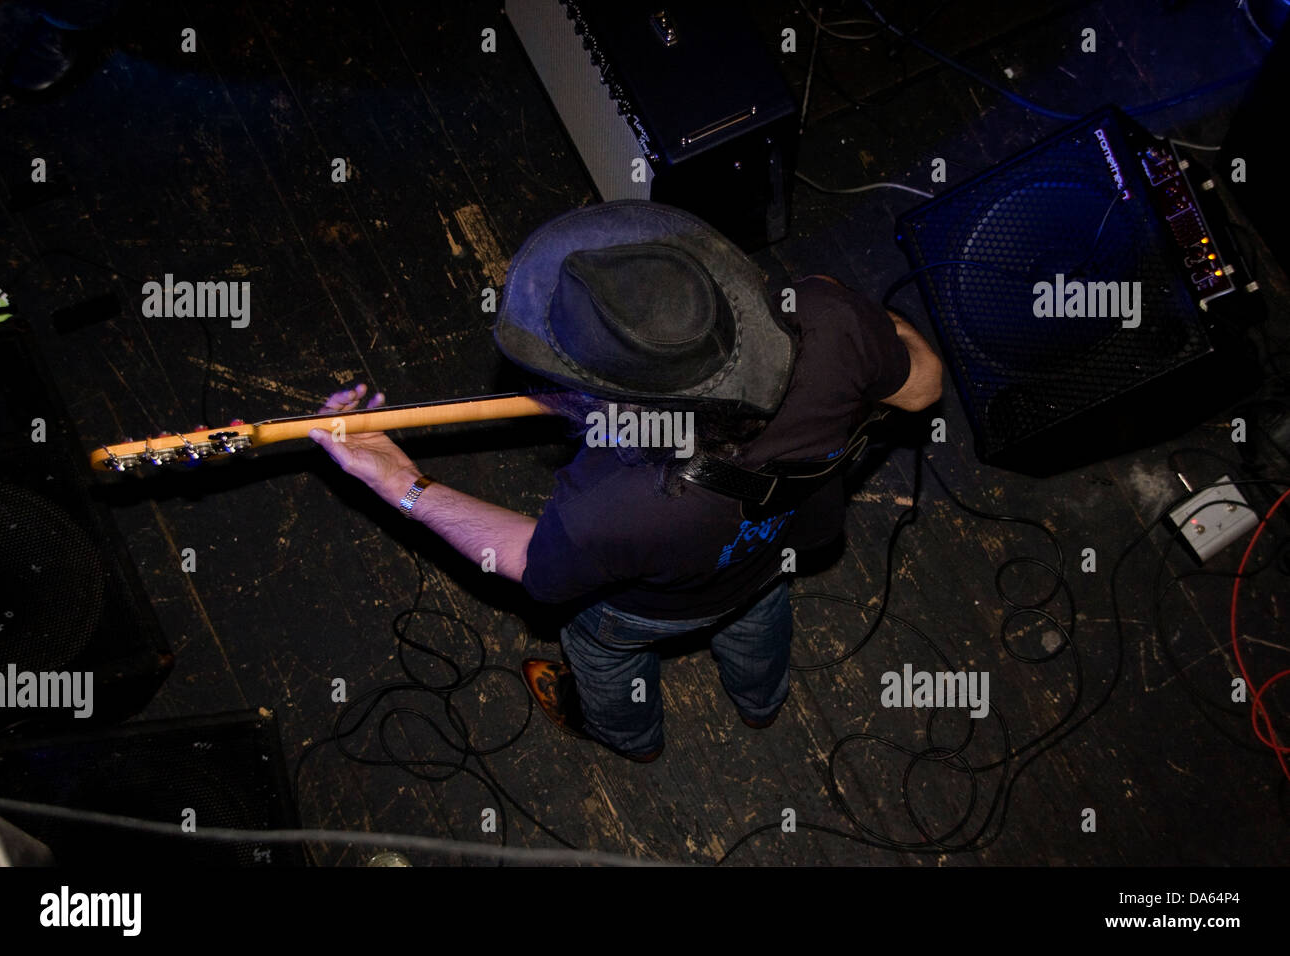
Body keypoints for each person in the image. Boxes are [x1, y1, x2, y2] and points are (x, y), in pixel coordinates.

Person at [309, 200, 943, 763]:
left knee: (599, 651)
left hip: (649, 612)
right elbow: (924, 386)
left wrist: (403, 483)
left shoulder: (609, 504)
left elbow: (531, 564)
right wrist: (854, 315)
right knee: (758, 619)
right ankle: (761, 700)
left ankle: (633, 740)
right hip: (772, 555)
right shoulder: (828, 322)